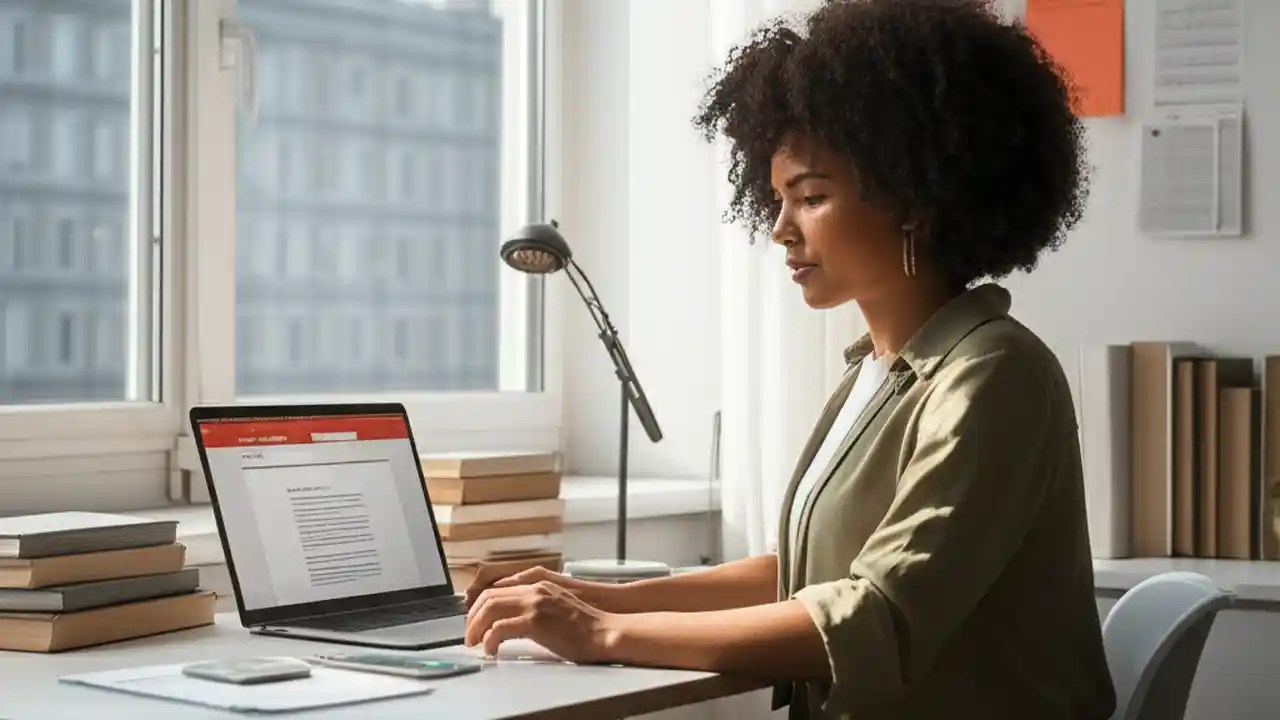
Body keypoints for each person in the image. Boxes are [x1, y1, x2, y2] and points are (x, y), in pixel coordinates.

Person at [463, 1, 1116, 718]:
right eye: (776, 199)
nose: (778, 230)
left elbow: (874, 614)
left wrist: (604, 631)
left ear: (914, 200)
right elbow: (803, 576)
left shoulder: (991, 375)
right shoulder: (874, 372)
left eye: (810, 197)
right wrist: (592, 597)